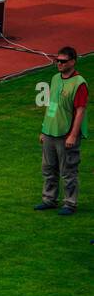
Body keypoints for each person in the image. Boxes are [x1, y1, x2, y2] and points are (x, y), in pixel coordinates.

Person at [37, 46, 87, 215]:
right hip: (51, 131)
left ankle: (70, 203)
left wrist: (73, 135)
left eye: (63, 61)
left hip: (66, 134)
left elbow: (80, 111)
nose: (59, 64)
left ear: (73, 62)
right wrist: (44, 129)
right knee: (48, 169)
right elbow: (51, 106)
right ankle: (49, 199)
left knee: (68, 171)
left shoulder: (79, 84)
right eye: (57, 60)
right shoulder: (55, 78)